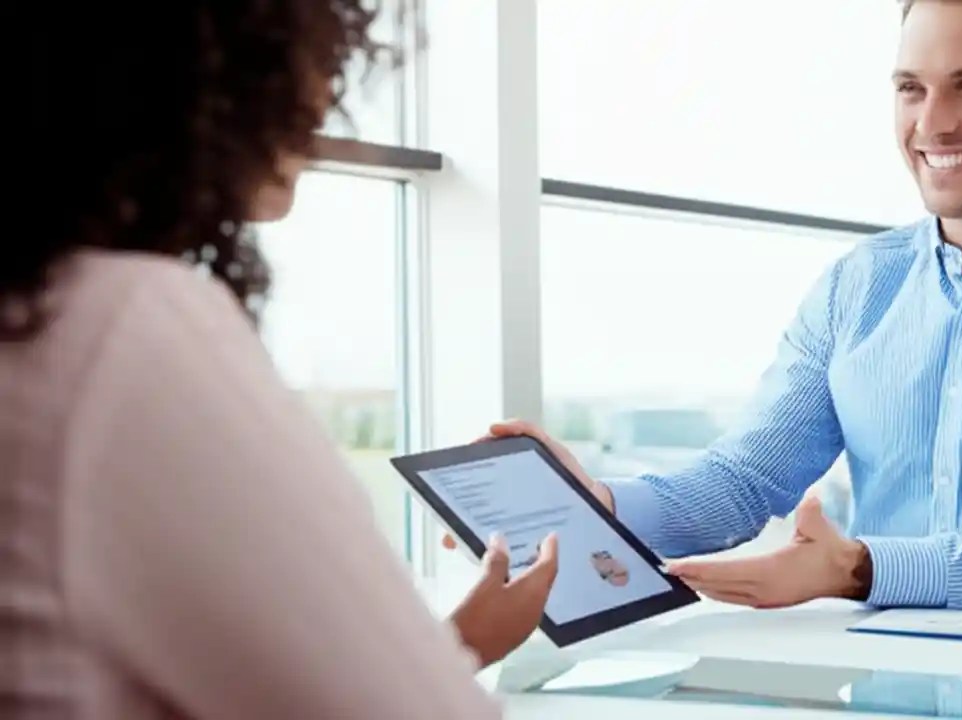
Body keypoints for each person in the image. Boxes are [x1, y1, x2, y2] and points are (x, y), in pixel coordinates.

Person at [476, 0, 962, 610]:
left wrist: (860, 569)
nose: (933, 122)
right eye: (911, 88)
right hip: (883, 680)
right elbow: (744, 481)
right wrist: (598, 502)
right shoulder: (858, 287)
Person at [4, 4, 554, 718]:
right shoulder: (116, 326)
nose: (325, 95)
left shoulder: (39, 321)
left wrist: (454, 647)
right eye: (310, 53)